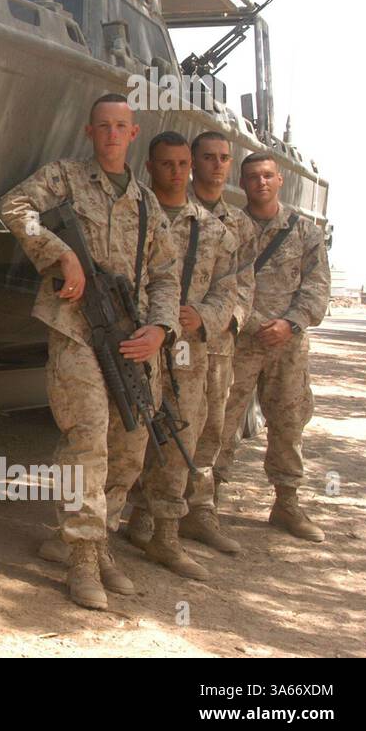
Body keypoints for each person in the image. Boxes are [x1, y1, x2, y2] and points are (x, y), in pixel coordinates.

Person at [0, 94, 178, 610]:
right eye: (104, 126)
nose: (112, 134)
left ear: (134, 132)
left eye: (122, 126)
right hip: (76, 330)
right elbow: (15, 206)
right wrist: (61, 255)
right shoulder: (65, 178)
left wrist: (162, 329)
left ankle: (101, 547)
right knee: (88, 440)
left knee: (131, 443)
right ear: (89, 132)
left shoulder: (146, 203)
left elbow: (165, 275)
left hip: (133, 337)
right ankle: (79, 558)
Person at [122, 132, 237, 580]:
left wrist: (201, 315)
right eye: (166, 164)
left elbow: (229, 289)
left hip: (187, 349)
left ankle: (165, 536)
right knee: (128, 435)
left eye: (182, 164)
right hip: (137, 340)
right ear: (150, 166)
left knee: (179, 437)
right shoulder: (134, 214)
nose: (176, 172)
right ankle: (115, 523)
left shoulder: (213, 230)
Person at [219, 152, 330, 541]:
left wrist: (289, 323)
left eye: (267, 176)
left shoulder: (305, 232)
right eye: (252, 177)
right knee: (221, 421)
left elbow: (317, 289)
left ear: (280, 180)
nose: (260, 183)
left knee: (288, 422)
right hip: (238, 341)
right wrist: (248, 322)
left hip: (288, 345)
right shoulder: (228, 225)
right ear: (242, 182)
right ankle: (204, 501)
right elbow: (217, 281)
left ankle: (286, 504)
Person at [178, 131, 256, 552]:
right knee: (170, 422)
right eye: (208, 157)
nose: (217, 165)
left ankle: (200, 511)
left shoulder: (239, 223)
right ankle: (148, 512)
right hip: (174, 339)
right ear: (194, 161)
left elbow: (244, 285)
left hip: (218, 341)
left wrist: (222, 322)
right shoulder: (171, 206)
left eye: (225, 158)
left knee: (213, 427)